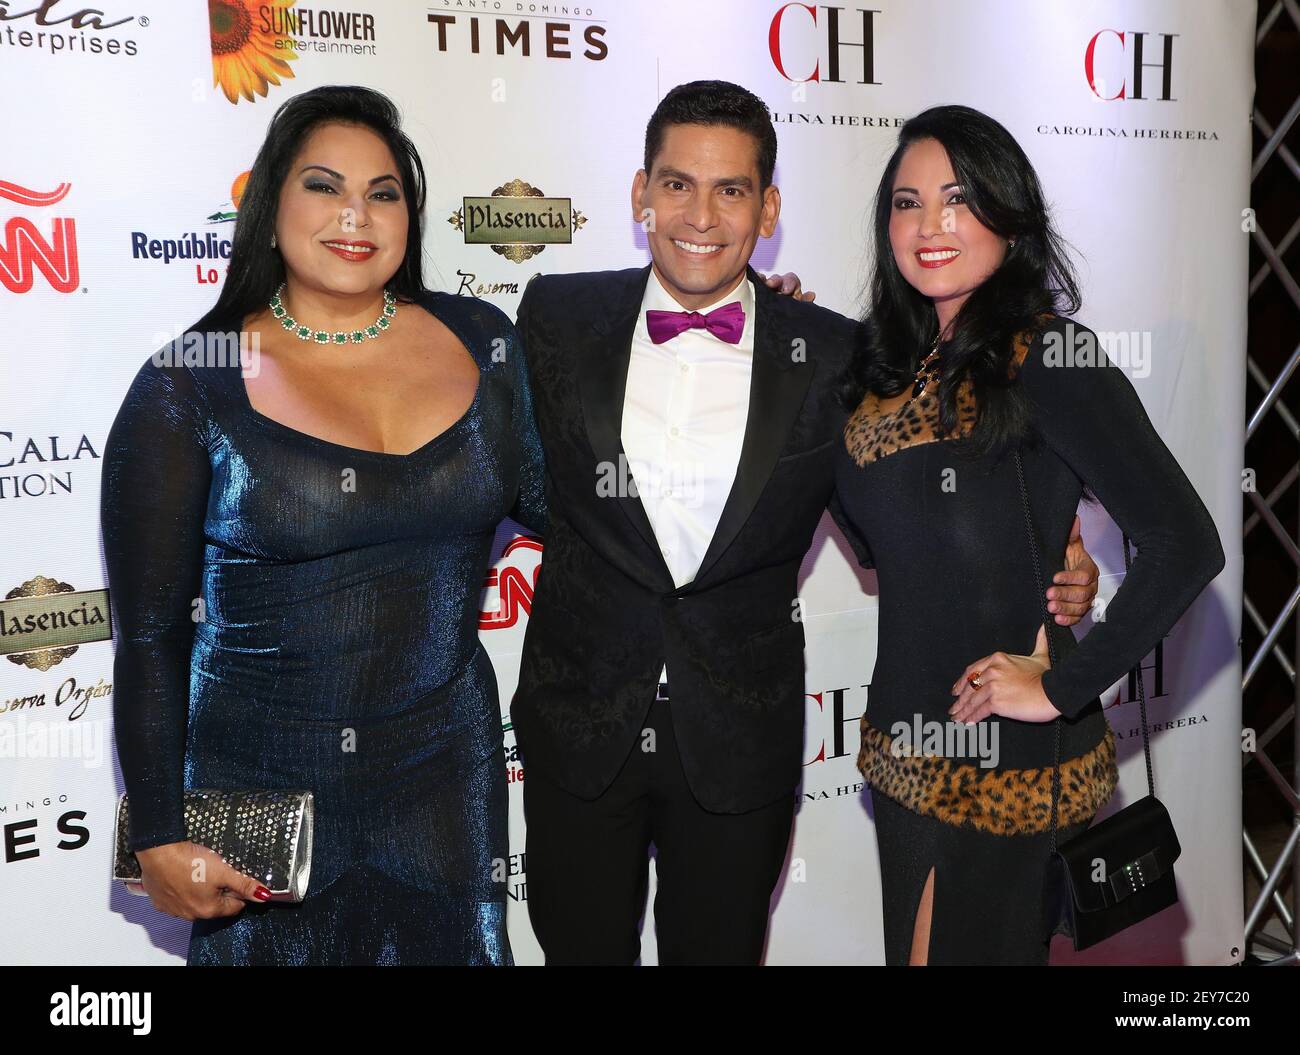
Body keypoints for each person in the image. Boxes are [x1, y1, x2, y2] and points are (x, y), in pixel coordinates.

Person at [509, 81, 1101, 965]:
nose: (700, 215)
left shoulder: (831, 354)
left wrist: (1049, 549)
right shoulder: (554, 316)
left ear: (769, 208)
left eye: (732, 190)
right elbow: (505, 481)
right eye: (677, 184)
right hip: (576, 732)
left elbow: (906, 519)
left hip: (739, 741)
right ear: (640, 194)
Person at [100, 85, 544, 965]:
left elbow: (567, 504)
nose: (356, 215)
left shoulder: (481, 339)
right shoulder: (189, 382)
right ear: (270, 209)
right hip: (266, 791)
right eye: (324, 186)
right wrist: (155, 831)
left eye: (383, 193)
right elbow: (149, 635)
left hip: (443, 780)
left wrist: (741, 349)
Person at [833, 104, 1226, 965]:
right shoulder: (880, 375)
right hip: (903, 750)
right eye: (907, 203)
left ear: (1009, 220)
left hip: (1008, 763)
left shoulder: (1049, 355)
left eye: (958, 199)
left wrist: (1062, 685)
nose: (930, 226)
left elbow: (1185, 541)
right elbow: (894, 543)